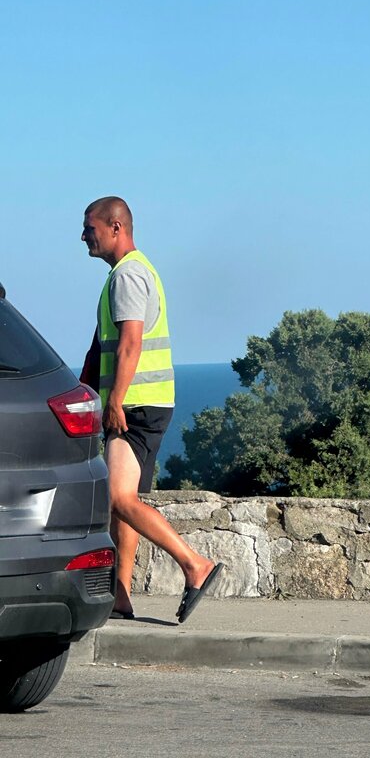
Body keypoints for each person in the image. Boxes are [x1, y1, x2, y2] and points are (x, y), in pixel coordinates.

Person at [80, 196, 223, 622]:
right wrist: (84, 396)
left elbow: (130, 344)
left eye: (90, 228)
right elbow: (99, 349)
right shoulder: (120, 278)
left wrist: (115, 402)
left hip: (137, 406)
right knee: (121, 499)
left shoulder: (129, 276)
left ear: (115, 228)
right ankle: (120, 595)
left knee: (118, 497)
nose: (84, 236)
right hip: (139, 403)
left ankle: (195, 565)